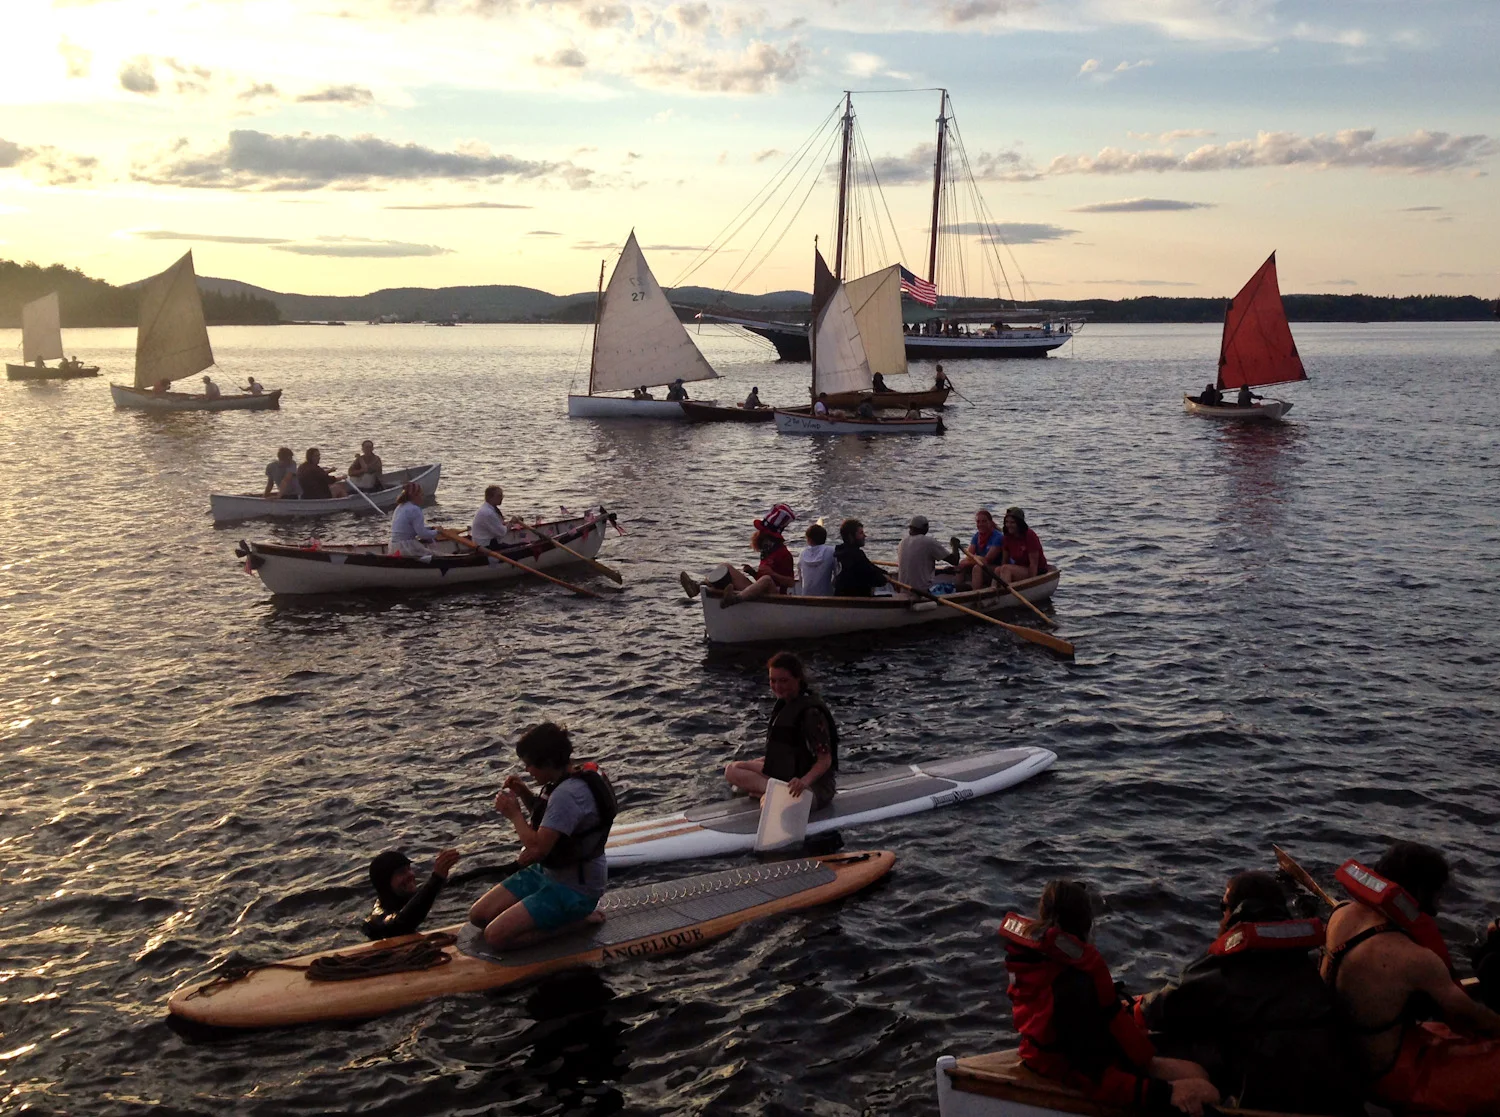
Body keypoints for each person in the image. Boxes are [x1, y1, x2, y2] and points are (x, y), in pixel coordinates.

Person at [1000, 880, 1221, 1115]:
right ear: (1087, 925)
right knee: (1207, 1091)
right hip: (1080, 1075)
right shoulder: (1072, 987)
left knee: (1197, 1072)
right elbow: (1091, 1077)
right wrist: (1163, 1093)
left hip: (1059, 1060)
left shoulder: (1045, 965)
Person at [1138, 871, 1353, 1112]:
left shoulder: (1225, 967)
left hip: (1264, 1099)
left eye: (1223, 907)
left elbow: (1160, 1009)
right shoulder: (1307, 961)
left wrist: (1130, 1006)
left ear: (1236, 911)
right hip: (1330, 1095)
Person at [1322, 841, 1500, 1115]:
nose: (1438, 905)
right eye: (1437, 893)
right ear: (1419, 892)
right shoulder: (1414, 958)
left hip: (1346, 1059)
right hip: (1388, 1077)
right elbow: (1470, 1018)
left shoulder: (1341, 913)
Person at [468, 723, 617, 949]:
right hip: (549, 873)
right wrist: (524, 793)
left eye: (530, 766)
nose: (528, 771)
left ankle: (577, 922)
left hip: (575, 890)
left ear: (547, 762)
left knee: (496, 937)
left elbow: (538, 849)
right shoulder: (569, 779)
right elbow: (553, 822)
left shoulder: (568, 795)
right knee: (478, 915)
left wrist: (514, 814)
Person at [724, 651, 838, 810]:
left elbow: (825, 760)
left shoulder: (812, 714)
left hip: (813, 787)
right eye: (773, 680)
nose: (777, 686)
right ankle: (771, 791)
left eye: (784, 680)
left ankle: (771, 793)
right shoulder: (786, 704)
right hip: (787, 775)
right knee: (732, 770)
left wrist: (803, 782)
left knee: (773, 806)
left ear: (798, 679)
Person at [362, 847, 462, 940]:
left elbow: (450, 884)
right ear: (385, 884)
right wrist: (436, 878)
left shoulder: (410, 895)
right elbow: (399, 925)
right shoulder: (376, 918)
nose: (411, 875)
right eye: (401, 872)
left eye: (409, 869)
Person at [720, 504, 797, 608]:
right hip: (761, 592)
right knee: (725, 567)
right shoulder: (766, 550)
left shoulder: (784, 553)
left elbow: (791, 582)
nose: (758, 533)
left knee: (767, 579)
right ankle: (700, 586)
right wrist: (753, 573)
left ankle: (735, 600)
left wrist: (772, 574)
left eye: (762, 531)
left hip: (777, 597)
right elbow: (761, 581)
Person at [896, 516, 956, 595]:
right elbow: (955, 560)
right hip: (924, 592)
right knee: (965, 587)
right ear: (925, 528)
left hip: (904, 590)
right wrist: (955, 546)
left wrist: (943, 571)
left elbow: (918, 569)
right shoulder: (929, 542)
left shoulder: (902, 542)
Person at [832, 519, 888, 597]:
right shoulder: (856, 555)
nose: (864, 536)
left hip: (840, 597)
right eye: (861, 533)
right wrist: (885, 578)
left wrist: (884, 573)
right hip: (856, 601)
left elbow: (870, 566)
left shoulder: (839, 552)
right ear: (851, 536)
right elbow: (874, 578)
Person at [995, 507, 1047, 585]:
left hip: (1037, 570)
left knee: (1006, 569)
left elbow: (1034, 564)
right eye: (1007, 522)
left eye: (1012, 522)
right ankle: (994, 593)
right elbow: (1004, 561)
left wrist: (1031, 584)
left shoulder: (1029, 535)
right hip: (1020, 567)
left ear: (1019, 523)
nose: (1009, 525)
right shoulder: (1007, 537)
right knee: (998, 570)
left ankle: (1007, 595)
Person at [956, 509, 1005, 591]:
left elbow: (987, 559)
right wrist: (963, 563)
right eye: (978, 522)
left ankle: (976, 595)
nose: (981, 524)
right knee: (960, 565)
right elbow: (969, 555)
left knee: (977, 568)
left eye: (984, 521)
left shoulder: (998, 537)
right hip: (981, 564)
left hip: (996, 568)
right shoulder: (977, 536)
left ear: (990, 522)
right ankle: (957, 590)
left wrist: (972, 558)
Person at [390, 482, 437, 556]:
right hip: (406, 547)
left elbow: (410, 529)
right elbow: (422, 534)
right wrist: (437, 532)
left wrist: (431, 529)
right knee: (436, 555)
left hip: (394, 546)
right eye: (421, 495)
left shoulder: (400, 506)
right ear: (415, 496)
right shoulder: (414, 509)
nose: (423, 497)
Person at [797, 523, 836, 597]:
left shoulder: (802, 553)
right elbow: (837, 575)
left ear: (809, 539)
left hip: (805, 596)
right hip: (826, 597)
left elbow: (800, 578)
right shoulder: (831, 551)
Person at [470, 485, 514, 549]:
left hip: (487, 543)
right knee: (524, 546)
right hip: (486, 547)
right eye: (499, 496)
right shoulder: (488, 512)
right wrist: (512, 522)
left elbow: (497, 525)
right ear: (489, 497)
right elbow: (502, 532)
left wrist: (507, 523)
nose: (502, 498)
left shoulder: (489, 508)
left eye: (502, 496)